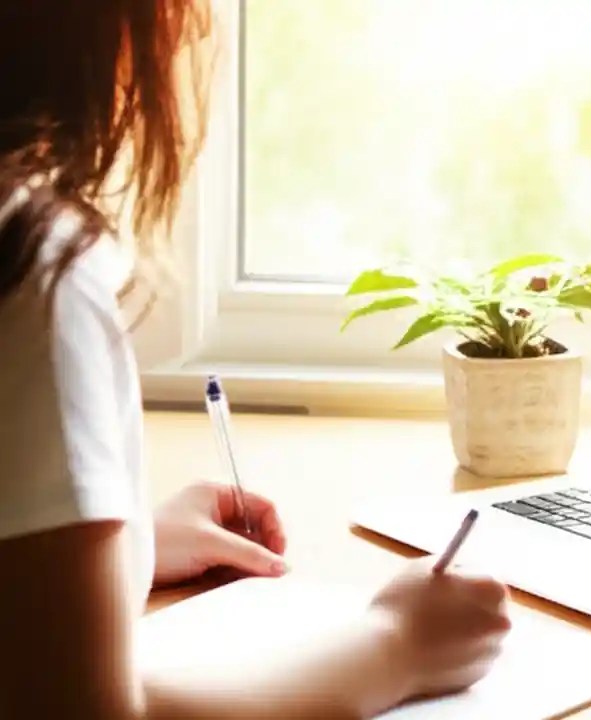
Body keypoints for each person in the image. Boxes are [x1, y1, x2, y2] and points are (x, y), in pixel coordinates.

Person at [0, 2, 510, 717]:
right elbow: (79, 707)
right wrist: (395, 645)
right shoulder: (32, 272)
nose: (197, 27)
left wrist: (115, 548)